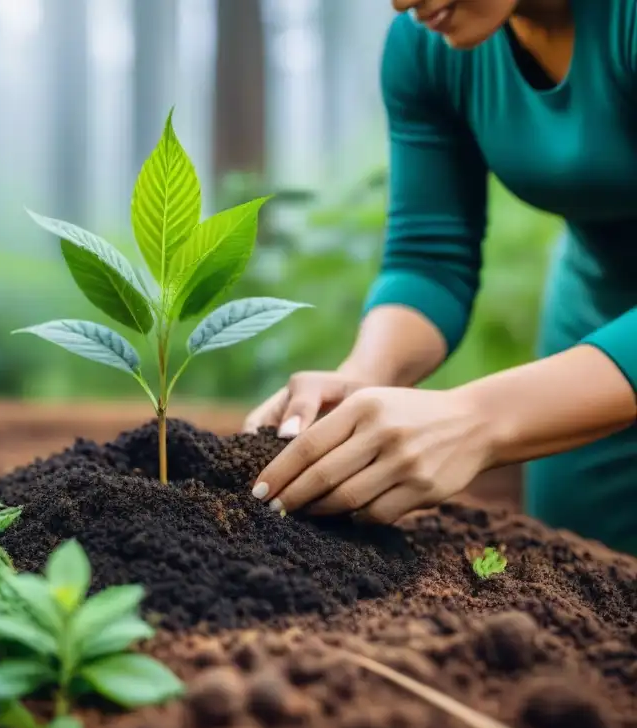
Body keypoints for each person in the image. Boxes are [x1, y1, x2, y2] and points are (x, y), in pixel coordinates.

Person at [244, 0, 637, 555]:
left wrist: (480, 418)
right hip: (594, 327)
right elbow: (430, 257)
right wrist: (366, 374)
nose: (401, 2)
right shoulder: (428, 46)